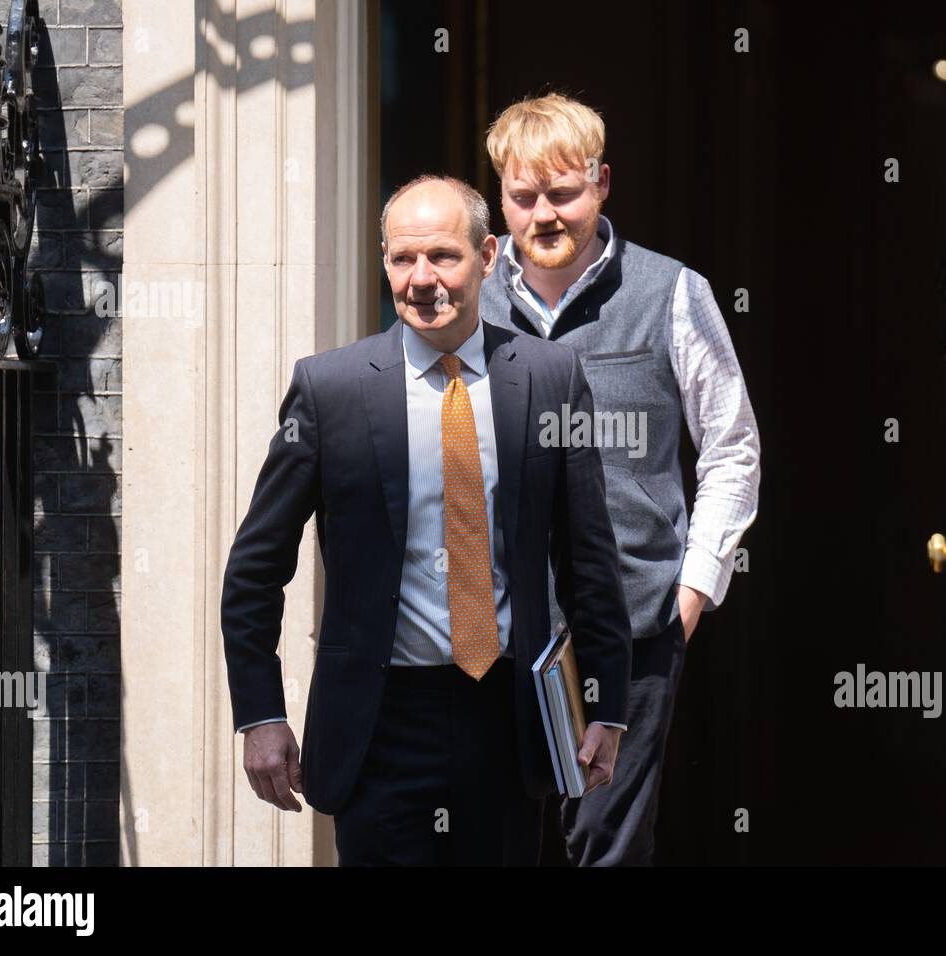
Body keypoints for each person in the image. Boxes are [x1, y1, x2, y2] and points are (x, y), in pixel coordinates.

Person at [220, 174, 633, 866]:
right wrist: (261, 715)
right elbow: (255, 571)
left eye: (443, 256)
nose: (421, 279)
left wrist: (608, 707)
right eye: (401, 259)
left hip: (508, 721)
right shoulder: (332, 390)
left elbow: (589, 559)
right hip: (378, 725)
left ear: (489, 256)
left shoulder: (551, 378)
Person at [480, 93, 762, 866]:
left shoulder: (672, 292)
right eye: (524, 196)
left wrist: (690, 596)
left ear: (602, 183)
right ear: (501, 194)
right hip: (492, 631)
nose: (544, 214)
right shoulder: (466, 300)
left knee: (607, 846)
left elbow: (733, 449)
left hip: (634, 629)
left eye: (563, 193)